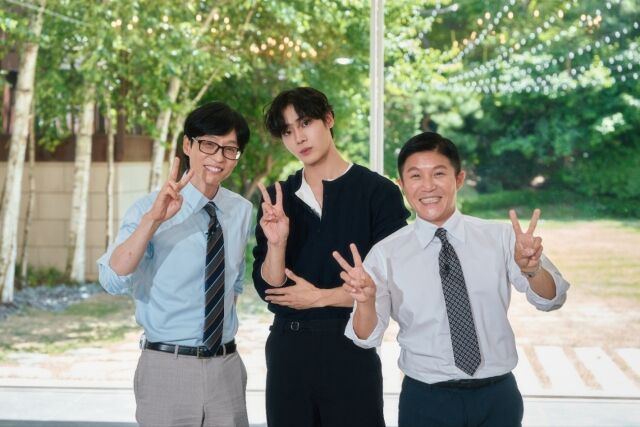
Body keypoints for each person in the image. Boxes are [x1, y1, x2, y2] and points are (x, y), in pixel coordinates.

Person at [334, 131, 570, 427]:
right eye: (415, 176)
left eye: (439, 173)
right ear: (402, 185)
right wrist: (366, 302)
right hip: (426, 400)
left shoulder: (501, 238)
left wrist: (532, 270)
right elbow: (365, 337)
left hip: (497, 398)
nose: (428, 186)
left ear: (459, 179)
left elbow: (552, 300)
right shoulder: (385, 254)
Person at [253, 86, 410, 427]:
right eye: (287, 131)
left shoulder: (378, 193)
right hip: (288, 350)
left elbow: (390, 284)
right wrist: (277, 244)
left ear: (328, 119)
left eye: (305, 123)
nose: (298, 137)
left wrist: (319, 297)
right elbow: (271, 289)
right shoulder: (280, 198)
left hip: (350, 346)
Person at [97, 102, 252, 427]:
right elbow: (112, 278)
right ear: (187, 145)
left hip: (226, 369)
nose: (218, 157)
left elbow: (233, 283)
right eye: (208, 144)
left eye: (230, 149)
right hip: (167, 366)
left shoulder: (240, 210)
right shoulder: (149, 208)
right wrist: (153, 220)